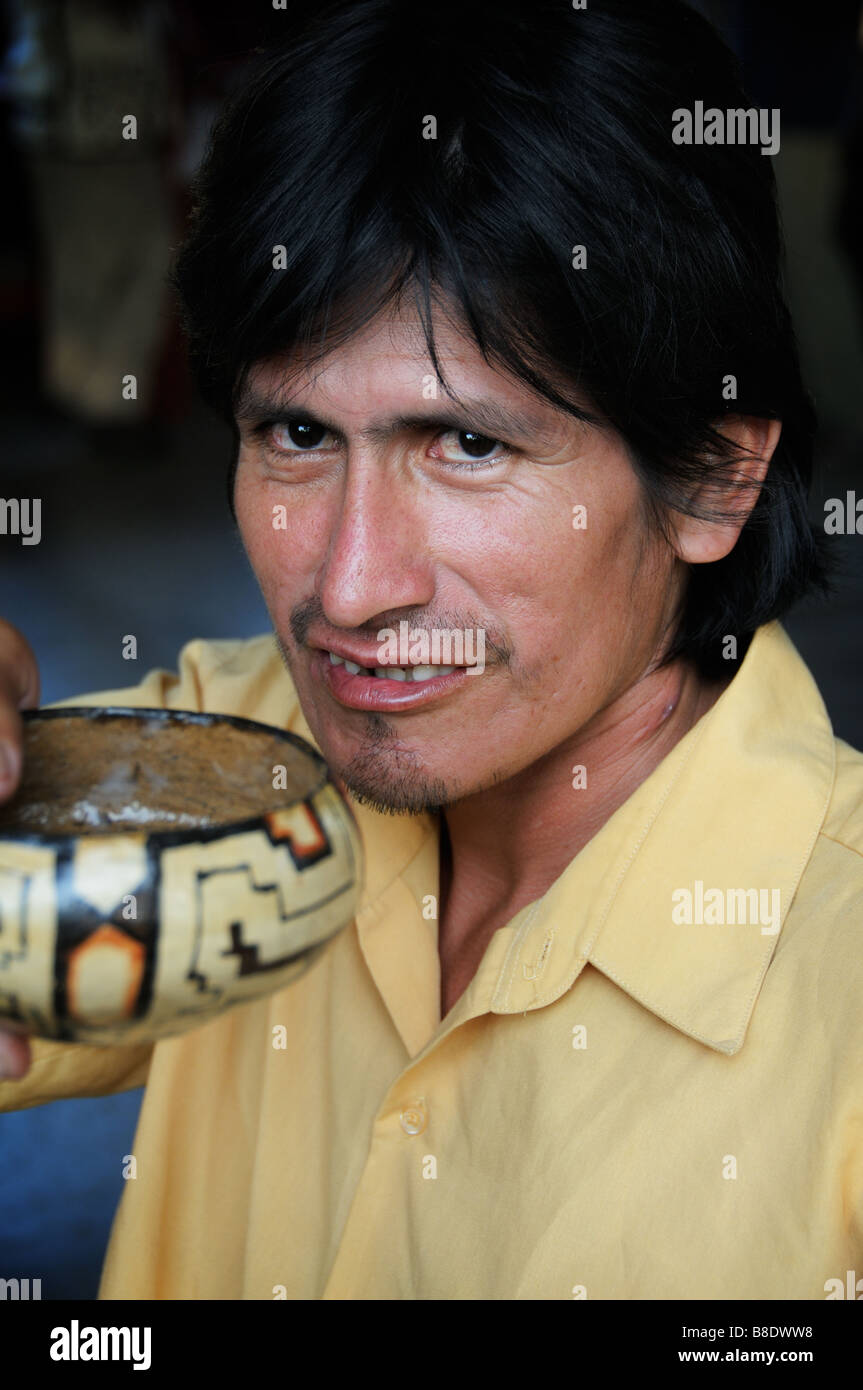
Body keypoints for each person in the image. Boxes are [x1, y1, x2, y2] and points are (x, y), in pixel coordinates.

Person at [1, 0, 861, 1300]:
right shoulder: (213, 775)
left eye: (468, 446)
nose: (346, 587)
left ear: (711, 485)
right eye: (295, 436)